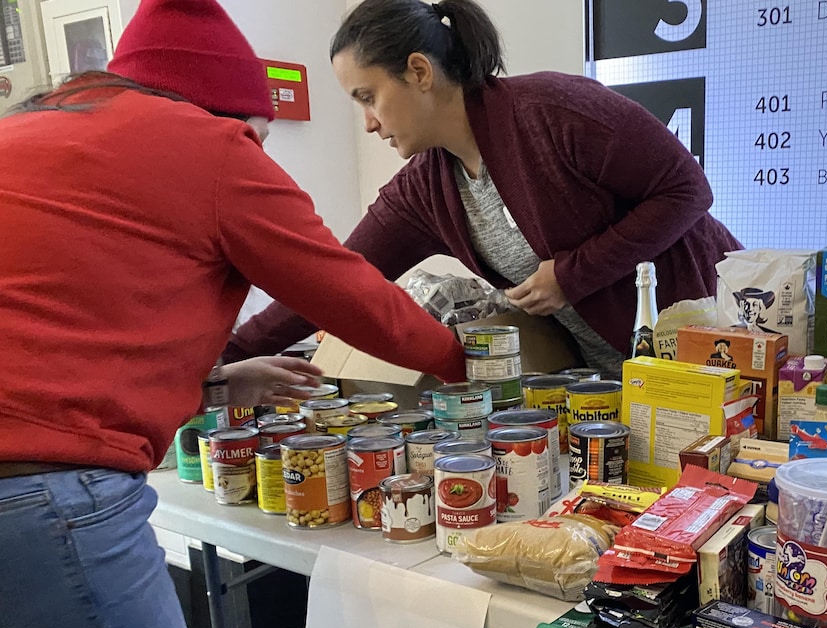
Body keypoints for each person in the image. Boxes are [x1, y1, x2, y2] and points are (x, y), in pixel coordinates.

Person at [0, 0, 466, 628]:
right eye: (259, 135)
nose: (258, 152)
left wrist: (213, 386)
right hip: (43, 497)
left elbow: (59, 331)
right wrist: (469, 363)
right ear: (222, 108)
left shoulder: (27, 130)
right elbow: (354, 298)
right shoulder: (208, 145)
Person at [224, 0, 742, 374]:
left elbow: (687, 191)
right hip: (613, 376)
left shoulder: (554, 112)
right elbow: (334, 281)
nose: (369, 123)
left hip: (713, 351)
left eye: (368, 97)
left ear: (419, 72)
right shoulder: (425, 190)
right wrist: (228, 355)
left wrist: (573, 274)